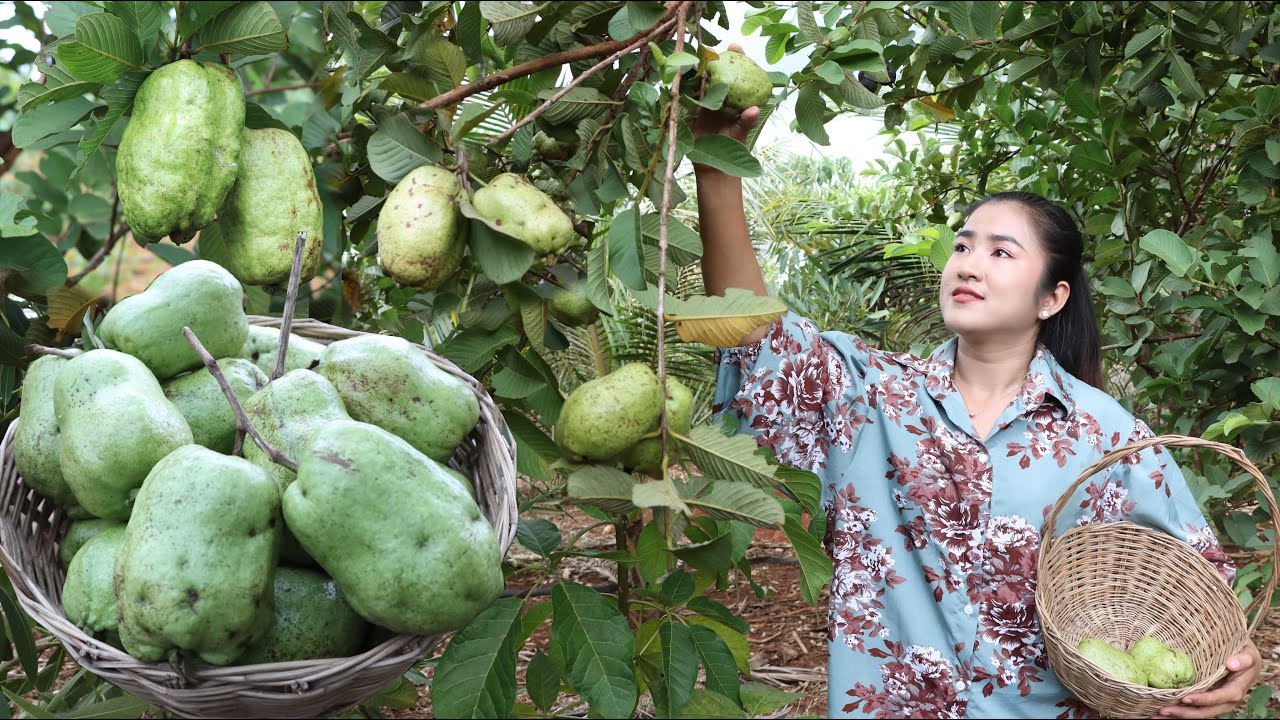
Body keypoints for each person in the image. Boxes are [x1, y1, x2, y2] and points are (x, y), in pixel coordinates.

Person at [691, 46, 1261, 720]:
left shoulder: (1107, 436)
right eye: (962, 245)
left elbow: (1197, 585)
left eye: (1000, 252)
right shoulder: (871, 397)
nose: (968, 263)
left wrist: (1232, 669)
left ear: (1052, 298)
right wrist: (715, 173)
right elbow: (751, 336)